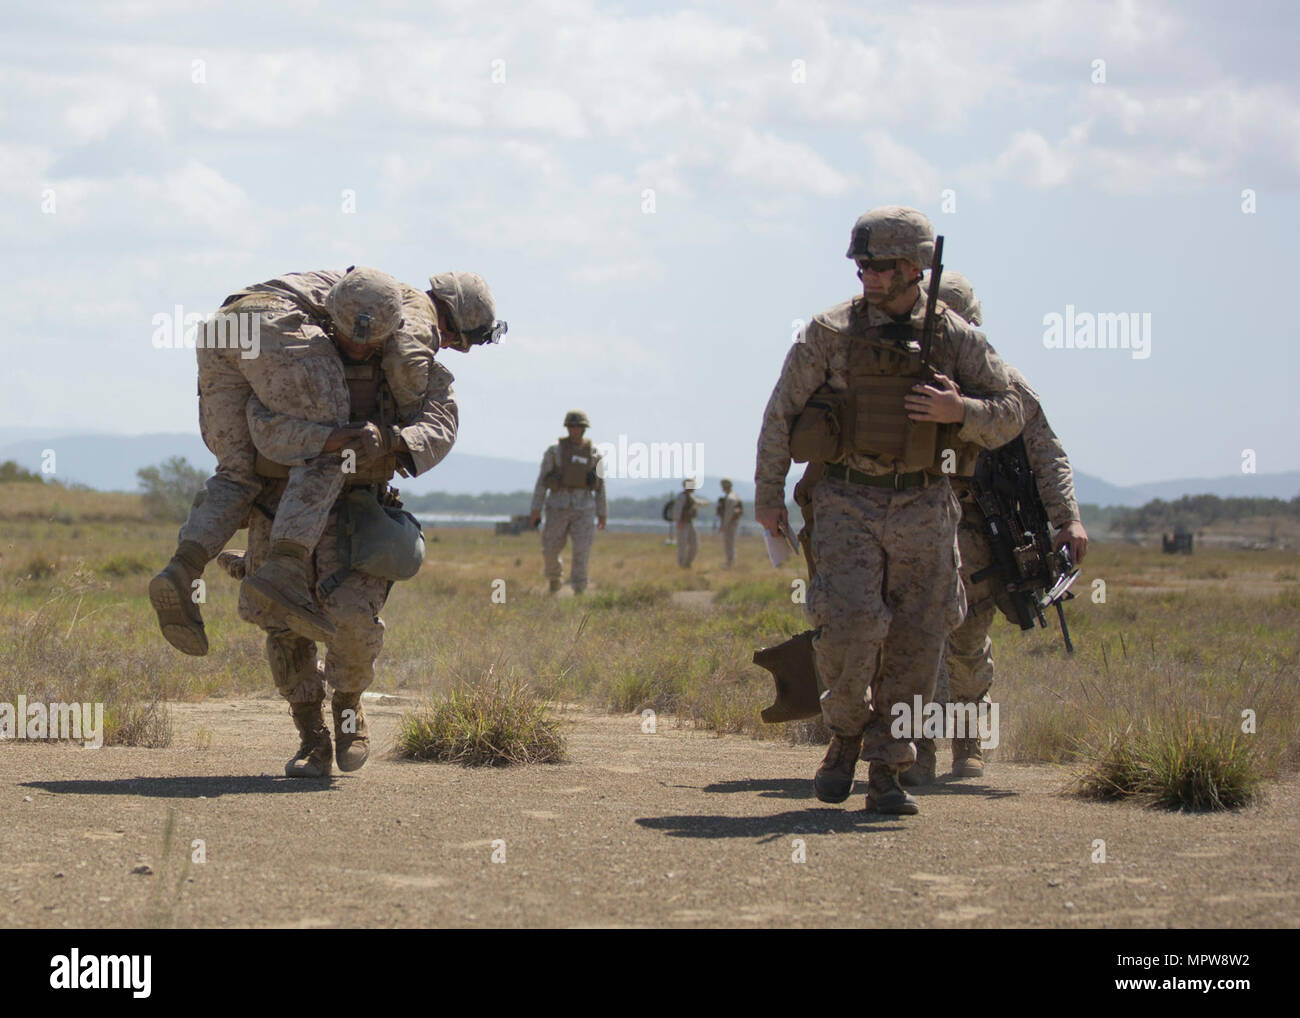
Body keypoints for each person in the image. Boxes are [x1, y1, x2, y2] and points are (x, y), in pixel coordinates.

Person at [754, 206, 1024, 815]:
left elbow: (1012, 411)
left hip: (927, 504)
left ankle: (888, 767)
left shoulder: (956, 338)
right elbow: (781, 413)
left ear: (913, 267)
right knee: (848, 627)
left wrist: (962, 414)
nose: (867, 277)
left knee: (919, 638)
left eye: (878, 266)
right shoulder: (830, 332)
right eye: (861, 266)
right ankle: (844, 738)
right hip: (847, 498)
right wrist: (769, 496)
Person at [235, 271, 503, 777]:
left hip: (357, 515)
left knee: (355, 623)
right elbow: (260, 424)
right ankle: (311, 737)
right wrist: (330, 439)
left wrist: (393, 442)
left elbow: (440, 423)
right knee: (285, 629)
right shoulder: (296, 358)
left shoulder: (415, 370)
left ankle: (348, 709)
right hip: (282, 508)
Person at [902, 271, 1088, 785]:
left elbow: (1046, 454)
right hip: (916, 525)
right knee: (916, 642)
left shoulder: (1005, 382)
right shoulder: (901, 378)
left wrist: (1066, 518)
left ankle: (967, 744)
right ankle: (917, 752)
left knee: (964, 642)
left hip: (980, 534)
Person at [529, 411, 607, 594]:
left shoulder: (595, 454)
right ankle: (554, 579)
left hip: (584, 507)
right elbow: (542, 482)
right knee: (550, 549)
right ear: (567, 427)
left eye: (579, 426)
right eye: (572, 426)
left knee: (582, 550)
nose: (575, 430)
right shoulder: (554, 451)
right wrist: (535, 509)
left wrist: (602, 513)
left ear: (584, 429)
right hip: (558, 505)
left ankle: (579, 588)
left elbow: (600, 486)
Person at [672, 479, 708, 568]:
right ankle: (682, 564)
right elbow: (677, 510)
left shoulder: (691, 496)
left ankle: (687, 563)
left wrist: (704, 503)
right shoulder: (682, 497)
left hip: (690, 523)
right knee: (682, 545)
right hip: (682, 523)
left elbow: (697, 502)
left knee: (695, 545)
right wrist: (678, 522)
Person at [716, 478, 744, 567]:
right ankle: (731, 562)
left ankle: (730, 563)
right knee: (730, 543)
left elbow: (728, 513)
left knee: (729, 544)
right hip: (732, 523)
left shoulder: (730, 498)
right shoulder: (734, 495)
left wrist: (723, 525)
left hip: (729, 524)